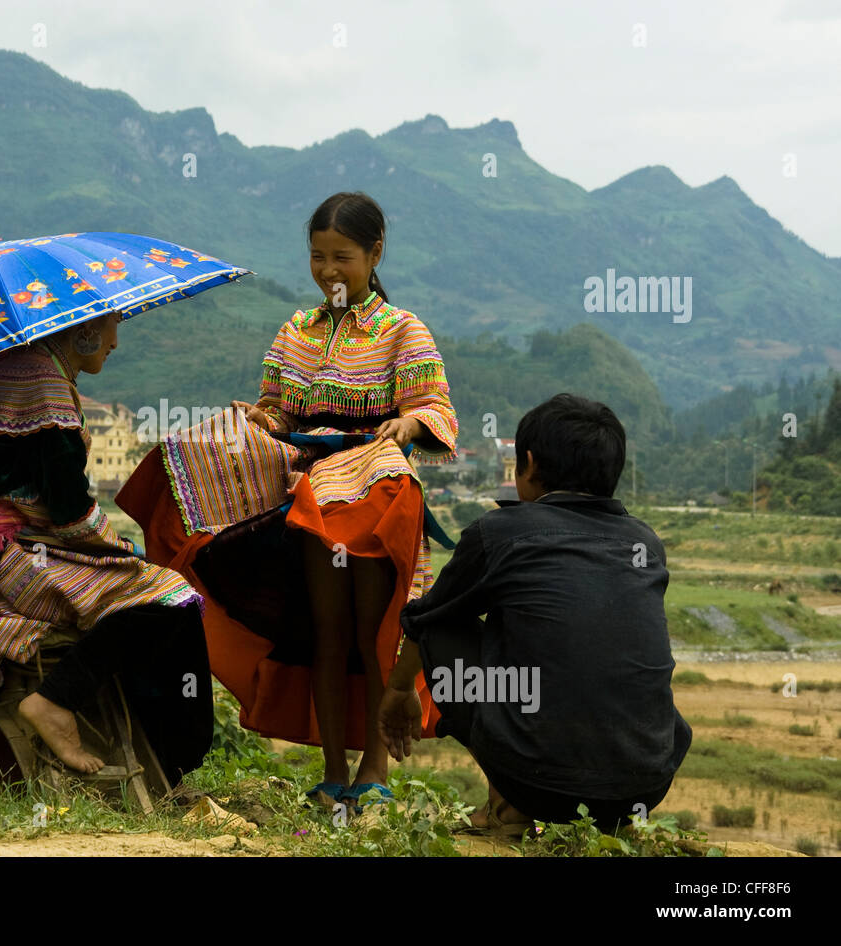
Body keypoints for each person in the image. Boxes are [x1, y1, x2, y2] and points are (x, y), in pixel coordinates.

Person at [116, 192, 458, 809]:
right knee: (326, 630)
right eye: (318, 257)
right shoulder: (294, 330)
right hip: (308, 497)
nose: (329, 271)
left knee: (371, 628)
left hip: (375, 495)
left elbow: (434, 408)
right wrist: (260, 420)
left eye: (343, 258)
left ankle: (374, 773)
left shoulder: (404, 330)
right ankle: (332, 769)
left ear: (375, 253)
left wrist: (405, 427)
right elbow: (276, 408)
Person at [0, 311, 213, 785]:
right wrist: (119, 547)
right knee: (169, 597)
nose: (115, 341)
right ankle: (65, 706)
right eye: (112, 326)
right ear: (83, 329)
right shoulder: (45, 388)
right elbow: (68, 511)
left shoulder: (18, 370)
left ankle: (158, 748)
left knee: (151, 589)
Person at [378, 394, 692, 832]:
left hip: (538, 781)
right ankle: (581, 816)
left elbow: (429, 616)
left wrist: (398, 690)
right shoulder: (644, 543)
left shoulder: (501, 531)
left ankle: (508, 809)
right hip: (644, 785)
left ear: (527, 462)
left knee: (444, 627)